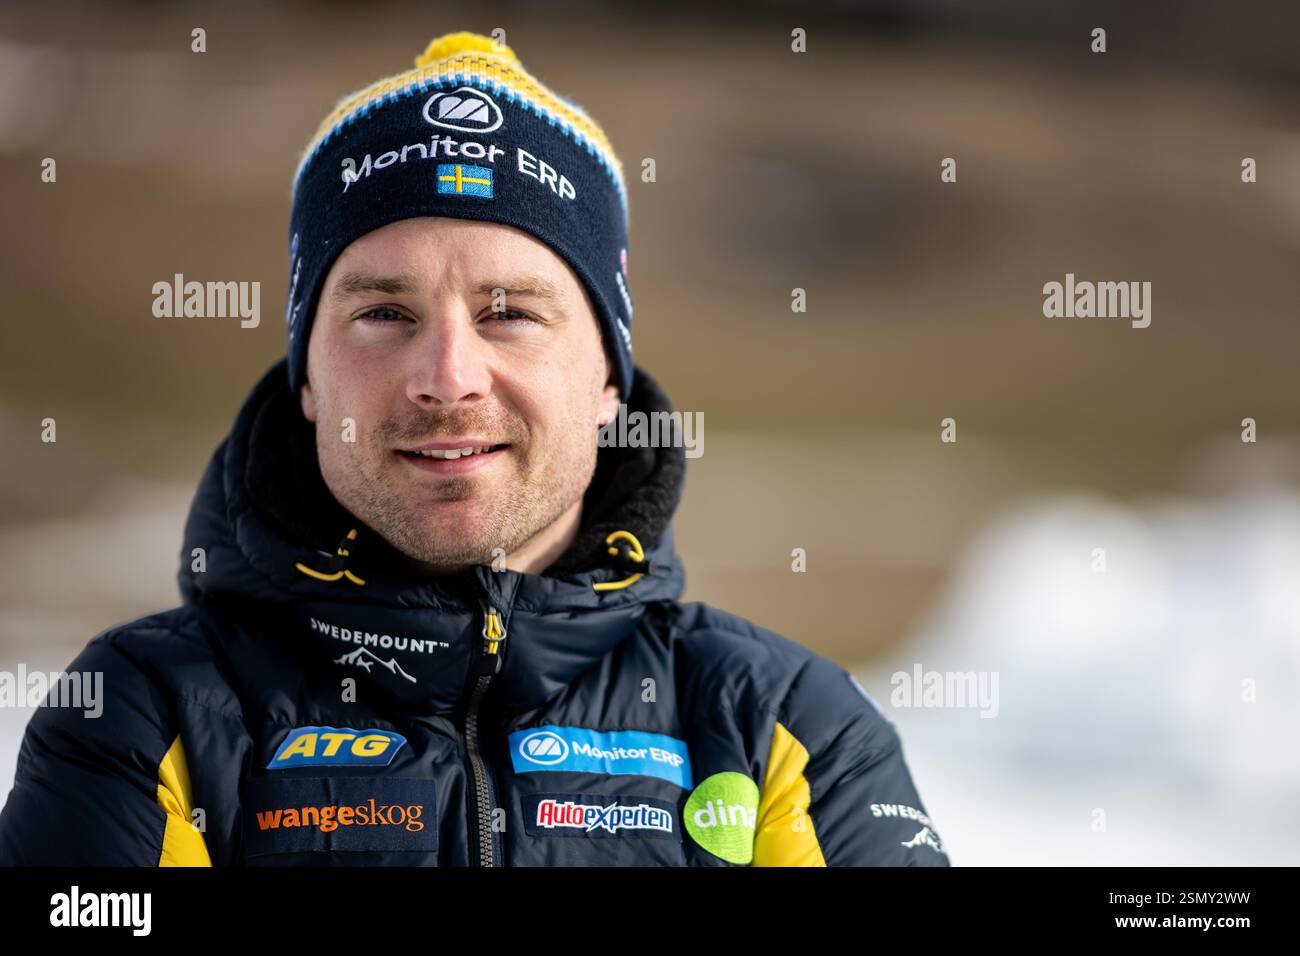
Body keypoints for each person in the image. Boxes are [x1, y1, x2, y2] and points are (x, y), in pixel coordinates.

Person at [0, 31, 948, 866]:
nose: (447, 376)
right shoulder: (137, 716)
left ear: (608, 380)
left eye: (510, 313)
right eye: (382, 313)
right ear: (307, 381)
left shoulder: (787, 726)